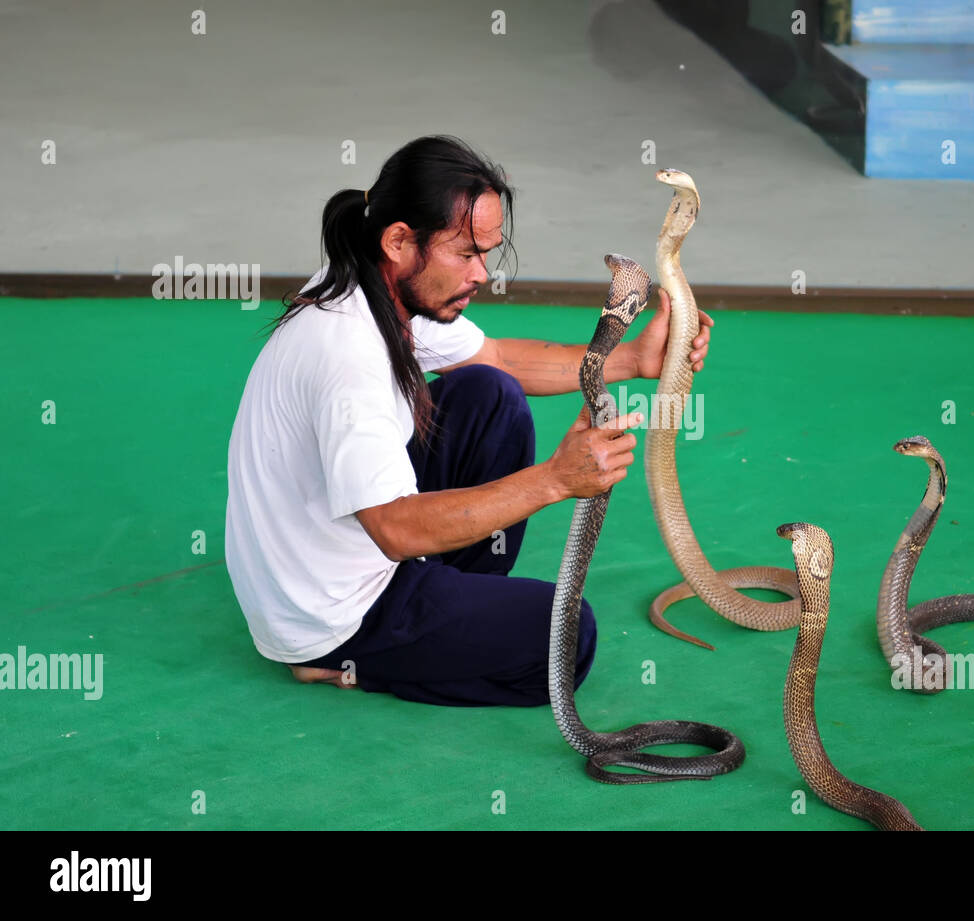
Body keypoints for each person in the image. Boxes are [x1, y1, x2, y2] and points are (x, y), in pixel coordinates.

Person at [224, 135, 712, 707]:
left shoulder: (376, 282)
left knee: (491, 395)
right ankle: (340, 664)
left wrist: (631, 361)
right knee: (566, 636)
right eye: (465, 254)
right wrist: (556, 479)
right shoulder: (348, 356)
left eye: (487, 252)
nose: (482, 274)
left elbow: (498, 358)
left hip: (335, 557)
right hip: (332, 612)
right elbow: (396, 530)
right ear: (400, 240)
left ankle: (452, 609)